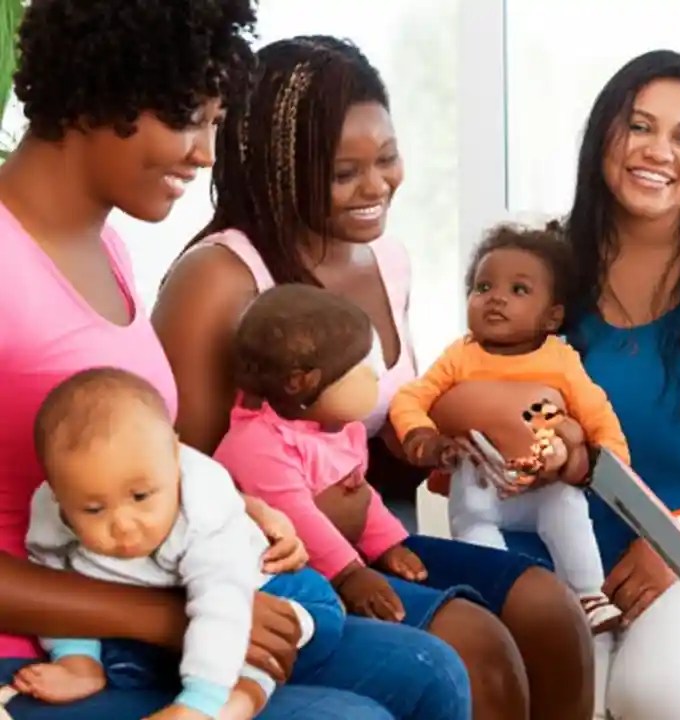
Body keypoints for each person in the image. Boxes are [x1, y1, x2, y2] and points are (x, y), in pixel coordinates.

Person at [0, 2, 470, 719]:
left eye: (216, 123)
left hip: (159, 597)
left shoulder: (109, 252)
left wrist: (239, 509)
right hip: (45, 654)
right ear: (102, 89)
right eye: (190, 118)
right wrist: (170, 618)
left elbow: (133, 452)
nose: (206, 154)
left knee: (431, 673)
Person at [152, 34, 593, 720]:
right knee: (479, 652)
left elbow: (390, 421)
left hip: (374, 533)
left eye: (386, 159)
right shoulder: (219, 279)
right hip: (277, 570)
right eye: (344, 172)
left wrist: (481, 433)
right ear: (279, 168)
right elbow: (176, 475)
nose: (377, 186)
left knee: (549, 609)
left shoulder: (386, 257)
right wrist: (304, 512)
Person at [450, 50, 680, 720]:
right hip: (538, 551)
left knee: (657, 693)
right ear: (603, 138)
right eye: (639, 127)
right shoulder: (539, 265)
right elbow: (464, 386)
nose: (659, 152)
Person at [20, 368, 350, 720]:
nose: (123, 526)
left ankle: (237, 701)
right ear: (58, 496)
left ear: (175, 461)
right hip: (164, 611)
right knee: (125, 659)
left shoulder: (202, 513)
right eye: (94, 509)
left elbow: (221, 606)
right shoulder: (53, 515)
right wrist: (75, 657)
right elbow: (59, 586)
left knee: (267, 633)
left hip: (265, 593)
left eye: (141, 495)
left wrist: (199, 701)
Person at [389, 220, 629, 634]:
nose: (496, 298)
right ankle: (495, 603)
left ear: (552, 316)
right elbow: (412, 398)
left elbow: (596, 414)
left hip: (543, 485)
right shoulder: (460, 356)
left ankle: (589, 594)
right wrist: (422, 438)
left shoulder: (559, 359)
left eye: (519, 290)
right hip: (480, 486)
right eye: (483, 288)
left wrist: (607, 462)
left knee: (567, 507)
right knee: (474, 527)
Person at [214, 285, 479, 630]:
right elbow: (298, 517)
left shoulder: (341, 428)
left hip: (341, 556)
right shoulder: (256, 444)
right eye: (365, 366)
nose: (380, 374)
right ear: (301, 382)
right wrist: (349, 574)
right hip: (280, 580)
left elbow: (361, 494)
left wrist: (386, 545)